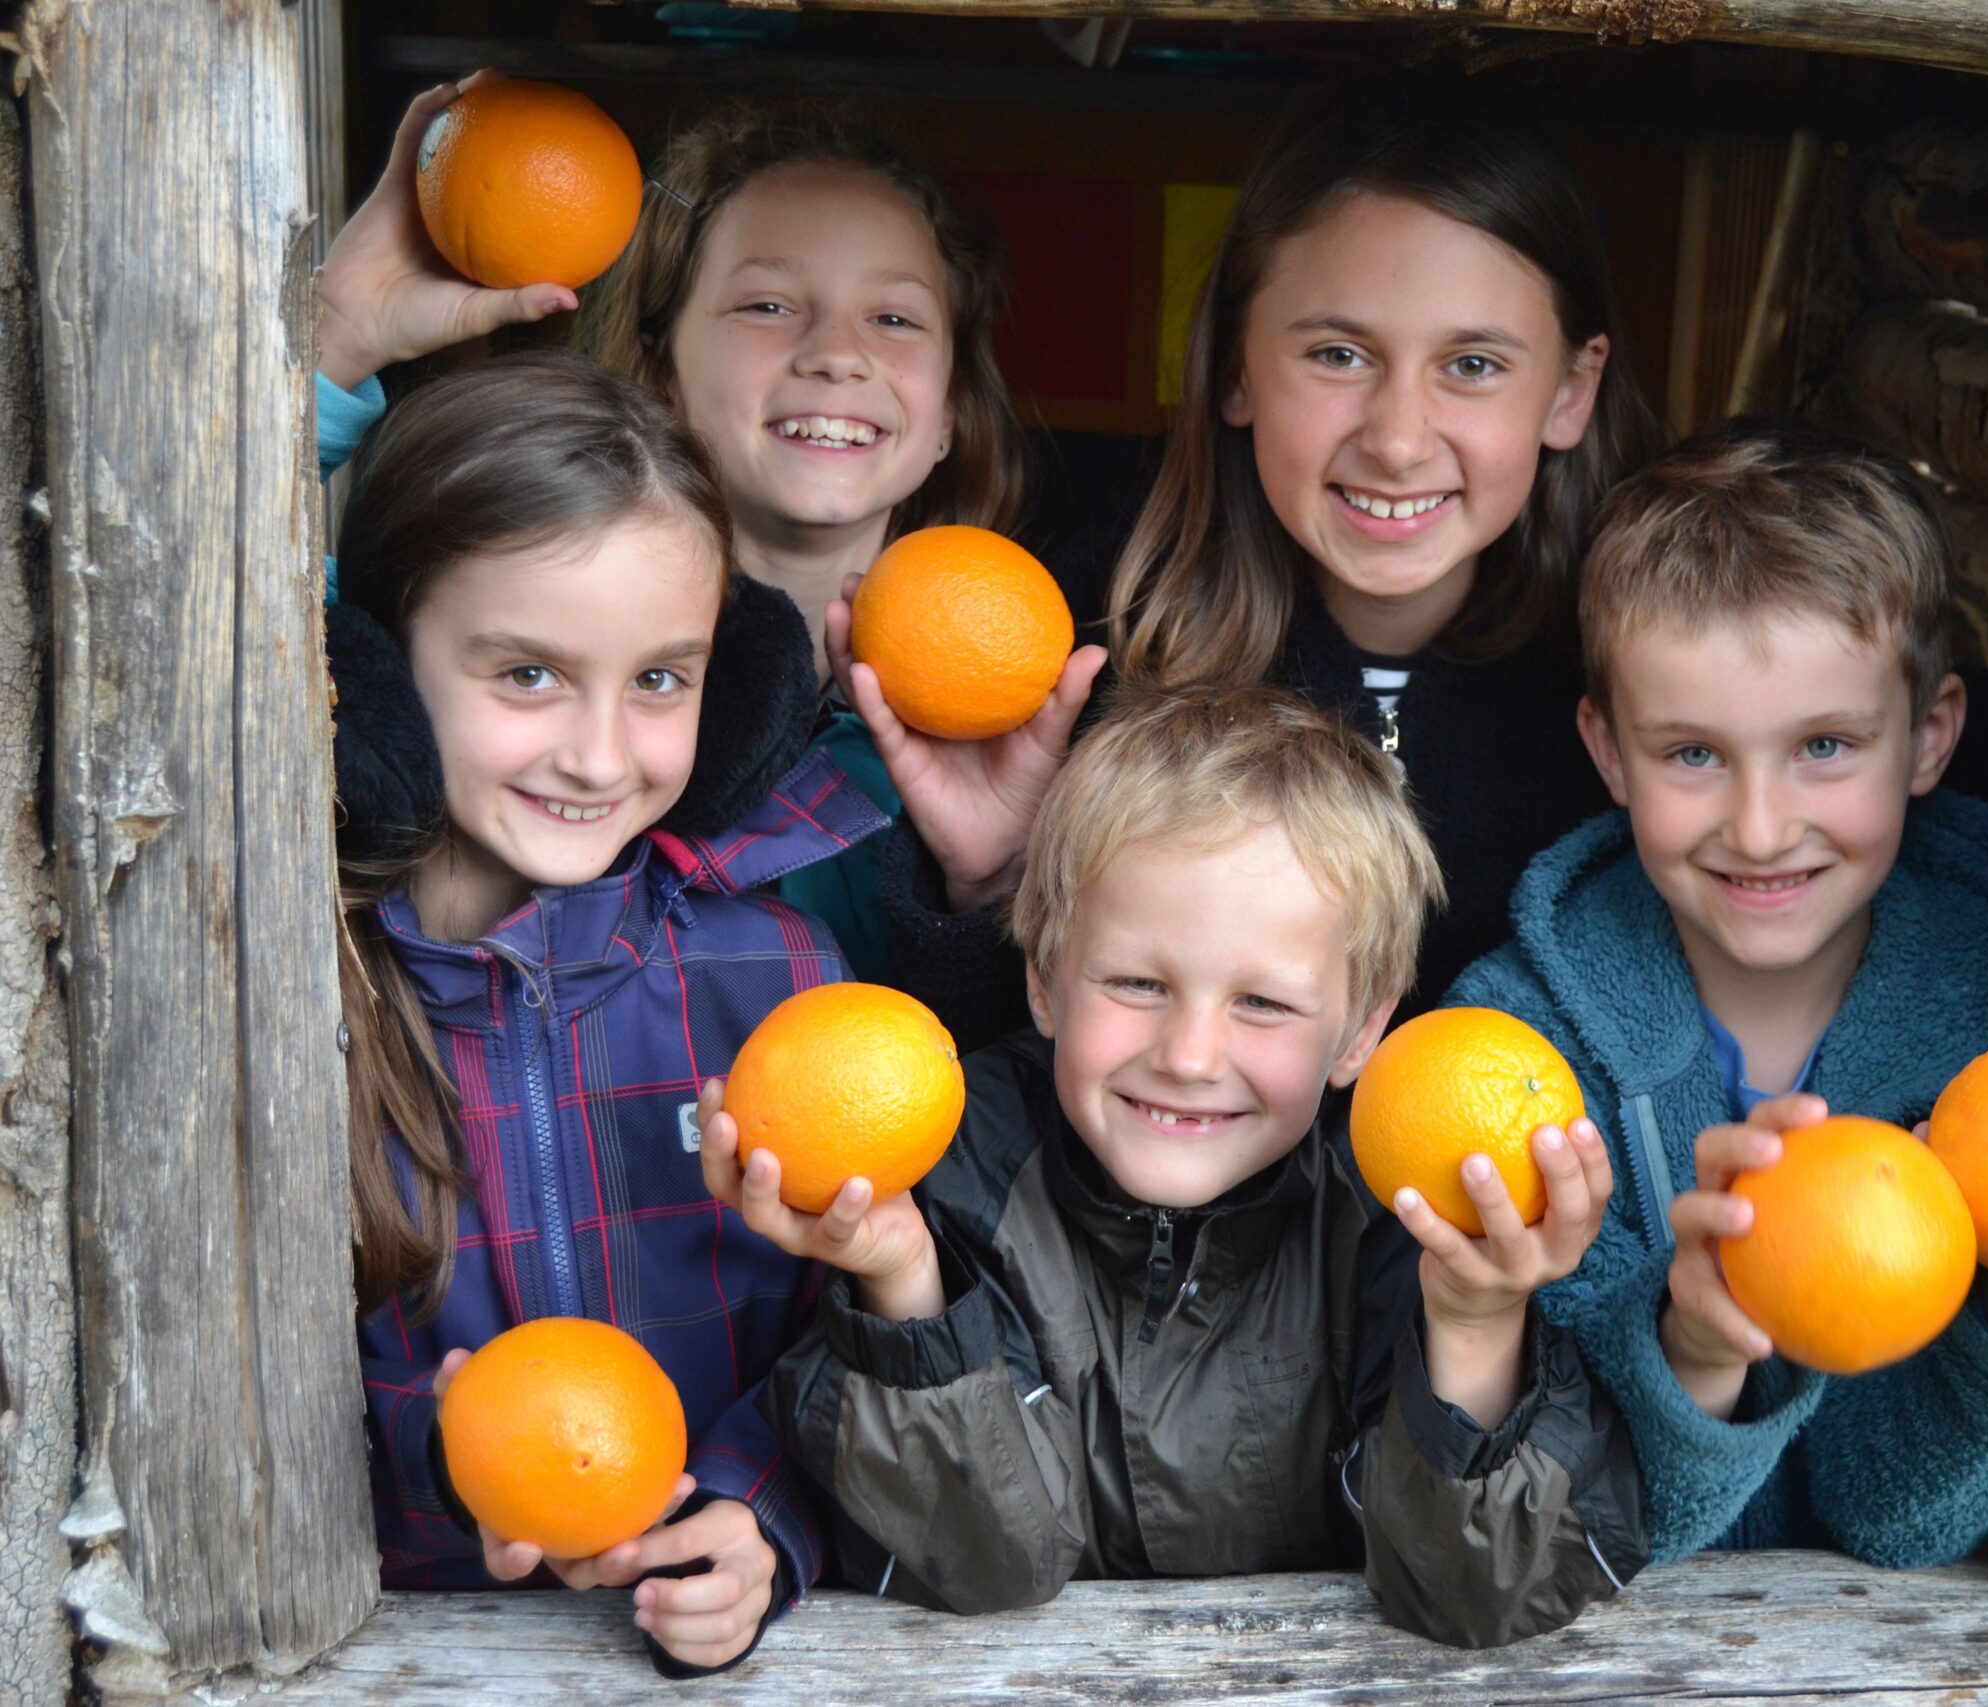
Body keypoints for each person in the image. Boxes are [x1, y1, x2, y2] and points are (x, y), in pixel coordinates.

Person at [702, 686, 1647, 1646]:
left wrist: (1478, 1322)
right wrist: (903, 1277)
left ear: (1363, 1030)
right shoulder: (953, 1167)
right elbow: (987, 1558)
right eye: (1138, 983)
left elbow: (1472, 1593)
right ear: (1043, 977)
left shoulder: (1397, 1211)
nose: (1190, 1055)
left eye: (1264, 1004)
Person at [1445, 422, 1988, 1564]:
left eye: (1826, 747)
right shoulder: (1515, 1051)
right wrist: (1697, 1346)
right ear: (1607, 755)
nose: (1759, 827)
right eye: (1692, 755)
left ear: (1930, 736)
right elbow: (1587, 1538)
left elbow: (1896, 1518)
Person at [888, 77, 1661, 1044]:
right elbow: (999, 1105)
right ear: (1235, 369)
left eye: (1472, 365)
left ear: (1570, 391)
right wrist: (989, 887)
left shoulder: (1635, 686)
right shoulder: (1082, 651)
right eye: (1339, 355)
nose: (1398, 439)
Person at [333, 352, 879, 1672]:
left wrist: (762, 1514)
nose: (598, 752)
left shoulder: (790, 982)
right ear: (378, 672)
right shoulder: (299, 999)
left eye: (659, 680)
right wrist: (448, 1456)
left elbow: (853, 1341)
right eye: (526, 674)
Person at [578, 99, 1104, 977]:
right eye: (770, 303)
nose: (836, 354)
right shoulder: (568, 647)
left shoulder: (1033, 716)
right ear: (660, 372)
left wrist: (990, 887)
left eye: (894, 319)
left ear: (948, 414)